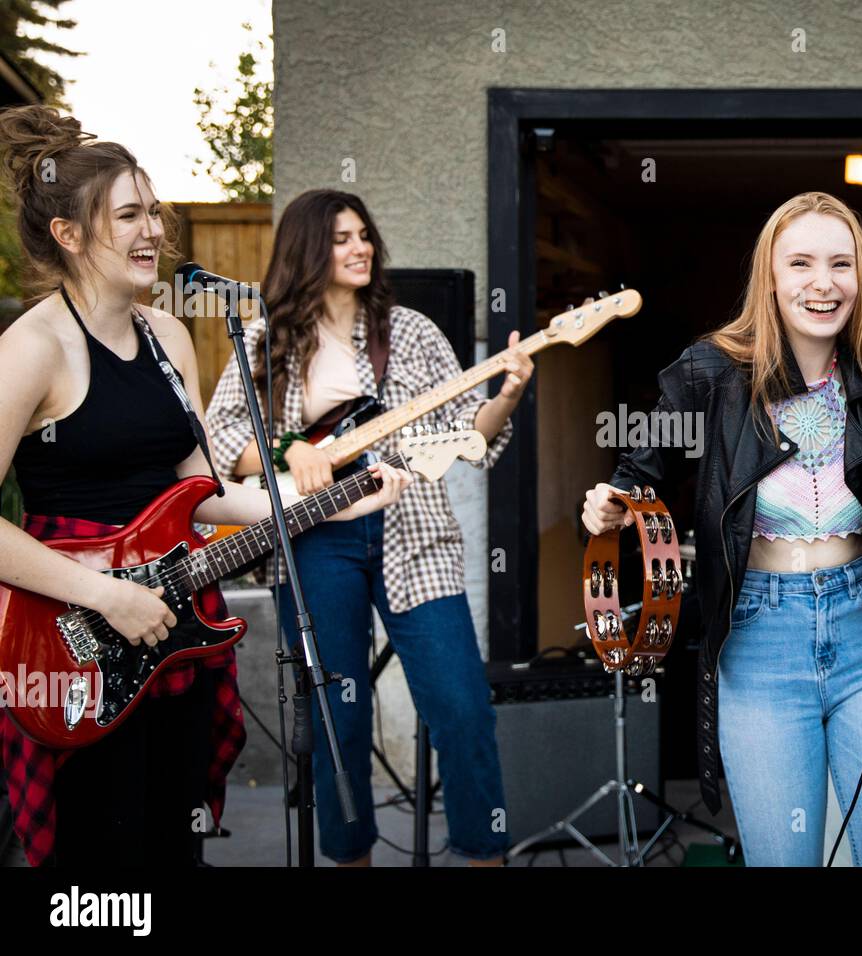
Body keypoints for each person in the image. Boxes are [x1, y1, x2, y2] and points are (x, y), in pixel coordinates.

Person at [0, 107, 409, 867]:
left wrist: (332, 496)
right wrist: (108, 596)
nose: (154, 229)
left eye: (154, 210)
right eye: (129, 214)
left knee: (174, 844)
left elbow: (201, 489)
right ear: (70, 235)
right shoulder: (30, 349)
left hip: (175, 623)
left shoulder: (170, 336)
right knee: (99, 855)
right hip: (71, 640)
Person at [582, 192, 862, 866]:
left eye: (841, 264)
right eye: (801, 263)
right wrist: (611, 502)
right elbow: (640, 467)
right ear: (771, 276)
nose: (823, 283)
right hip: (762, 639)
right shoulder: (712, 372)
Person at [205, 189, 531, 866]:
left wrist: (509, 394)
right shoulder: (269, 340)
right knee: (336, 722)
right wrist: (287, 448)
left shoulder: (409, 331)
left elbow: (470, 436)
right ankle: (348, 856)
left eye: (364, 236)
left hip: (414, 533)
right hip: (317, 542)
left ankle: (483, 851)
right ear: (306, 251)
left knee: (463, 707)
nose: (360, 248)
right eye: (341, 238)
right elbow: (219, 436)